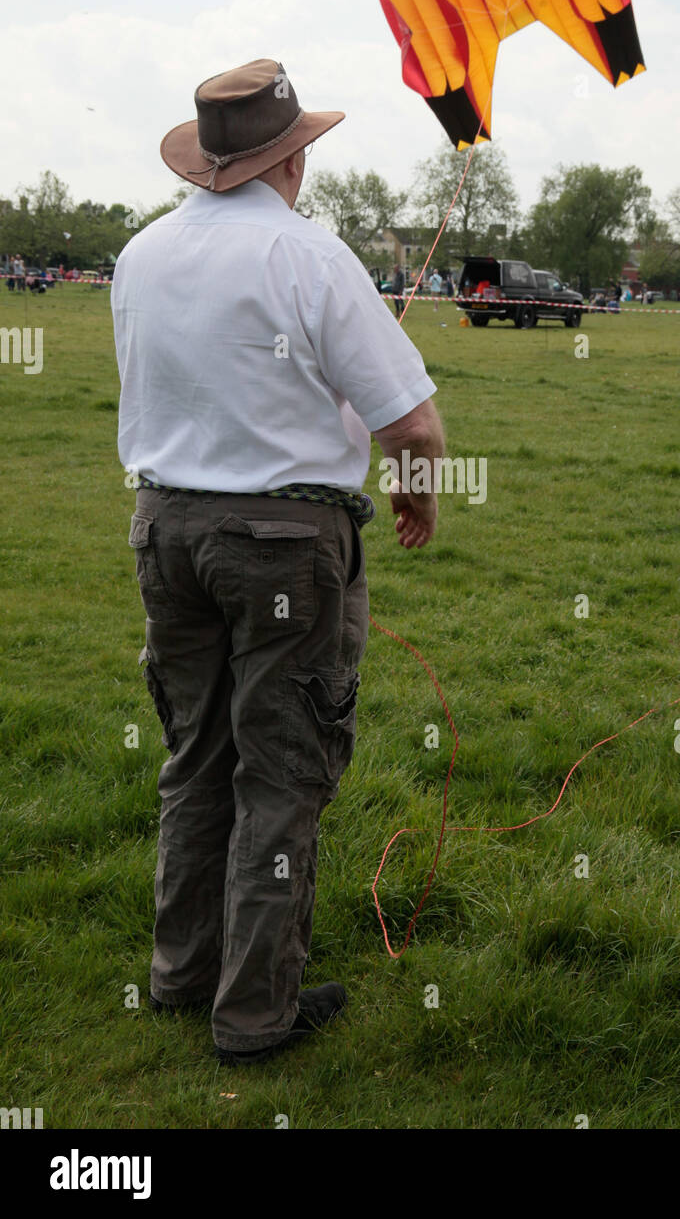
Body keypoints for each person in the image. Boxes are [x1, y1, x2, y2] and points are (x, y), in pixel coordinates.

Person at [111, 58, 444, 1066]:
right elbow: (417, 428)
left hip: (164, 530)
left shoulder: (140, 253)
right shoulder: (310, 256)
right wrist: (411, 493)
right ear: (290, 160)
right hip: (284, 547)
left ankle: (179, 973)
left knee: (196, 753)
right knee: (281, 770)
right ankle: (255, 1013)